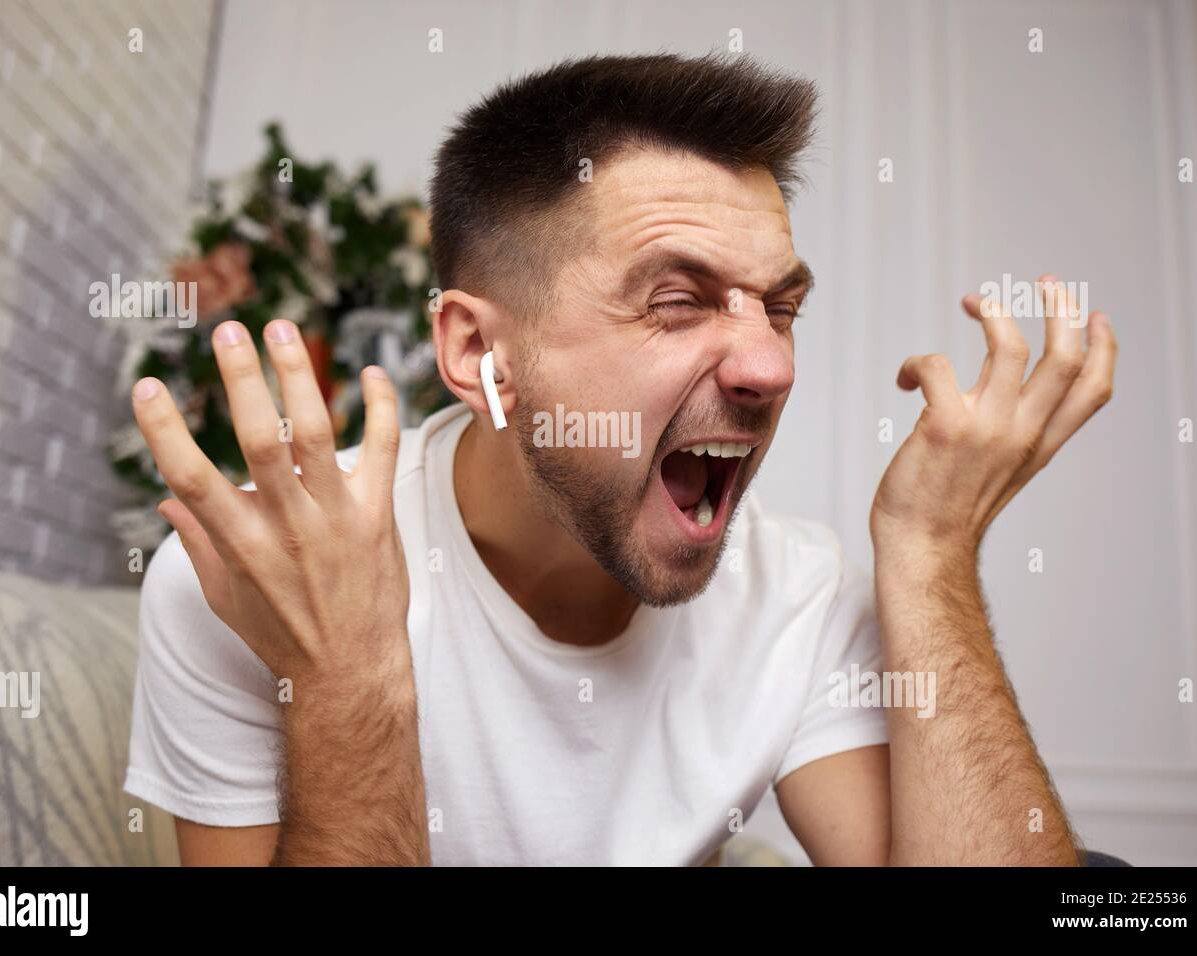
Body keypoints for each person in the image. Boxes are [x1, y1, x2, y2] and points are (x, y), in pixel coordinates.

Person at [123, 54, 1117, 865]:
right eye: (676, 301)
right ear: (478, 352)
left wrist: (931, 547)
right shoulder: (250, 580)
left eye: (778, 307)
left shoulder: (803, 598)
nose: (771, 364)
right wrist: (348, 675)